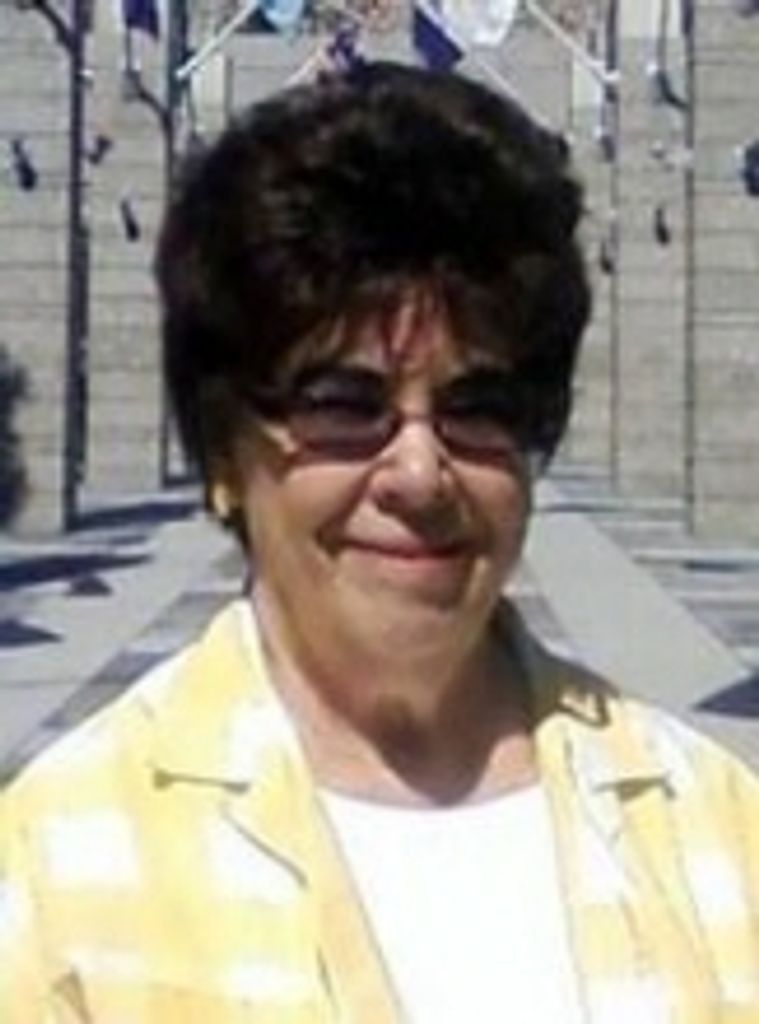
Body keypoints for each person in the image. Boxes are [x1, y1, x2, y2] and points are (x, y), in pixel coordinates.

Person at [2, 61, 758, 1024]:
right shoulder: (54, 869)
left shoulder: (709, 823)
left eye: (478, 406)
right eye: (341, 404)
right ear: (224, 449)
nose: (418, 473)